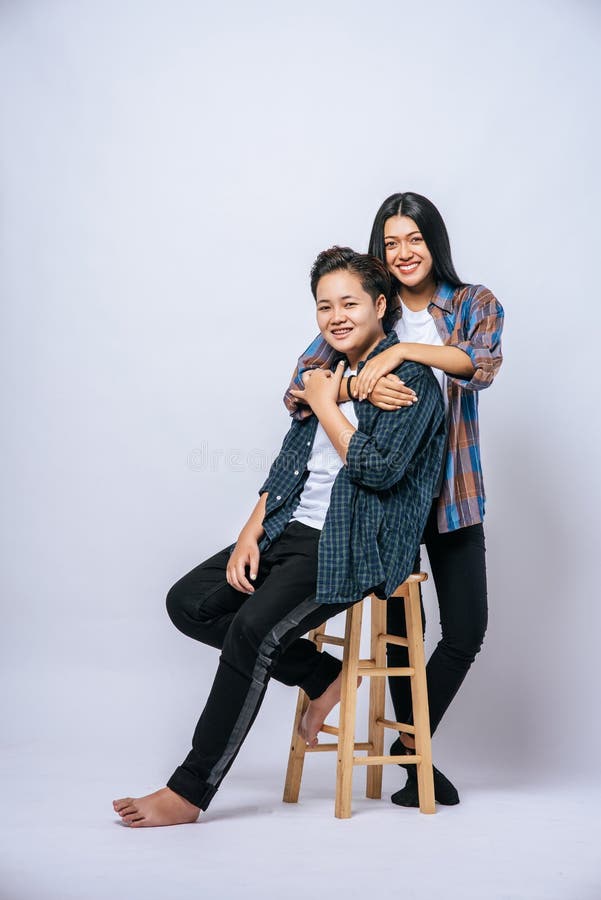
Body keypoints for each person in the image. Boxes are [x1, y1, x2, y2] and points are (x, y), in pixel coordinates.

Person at [112, 246, 446, 827]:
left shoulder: (411, 378)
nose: (336, 316)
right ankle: (320, 676)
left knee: (250, 630)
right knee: (189, 603)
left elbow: (376, 470)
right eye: (324, 305)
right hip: (289, 529)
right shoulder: (323, 373)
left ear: (381, 304)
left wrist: (326, 402)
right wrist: (251, 531)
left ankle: (189, 792)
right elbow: (290, 464)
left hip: (353, 542)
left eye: (349, 303)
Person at [283, 193, 504, 807]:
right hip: (385, 497)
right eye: (391, 242)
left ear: (434, 242)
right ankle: (417, 768)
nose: (404, 252)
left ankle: (411, 749)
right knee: (406, 636)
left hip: (453, 495)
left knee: (466, 630)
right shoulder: (362, 307)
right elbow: (303, 390)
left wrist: (404, 352)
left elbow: (480, 366)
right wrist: (360, 386)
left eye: (414, 239)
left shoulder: (470, 304)